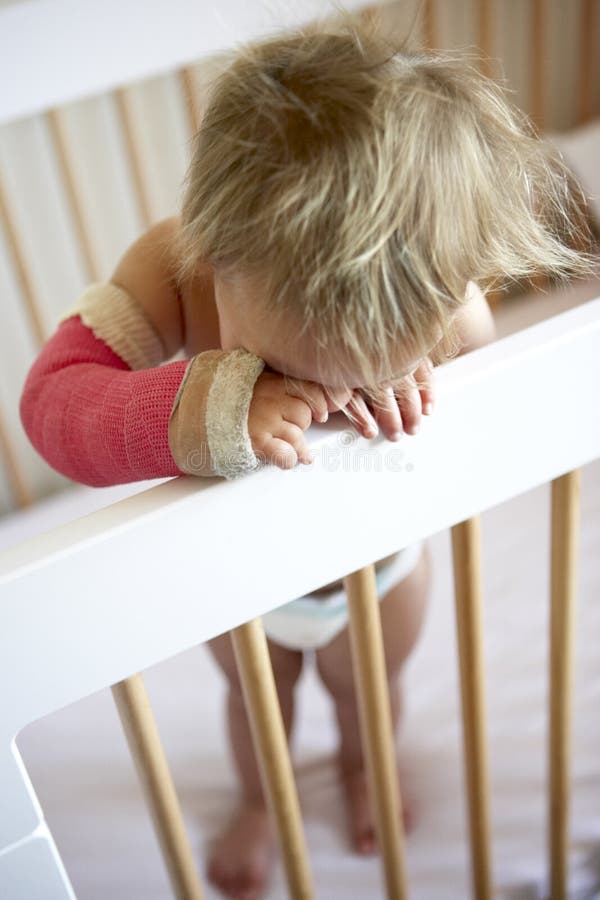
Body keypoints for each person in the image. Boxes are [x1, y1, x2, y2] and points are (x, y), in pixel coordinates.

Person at [19, 19, 595, 900]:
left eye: (373, 372)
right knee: (257, 702)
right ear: (219, 257)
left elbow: (488, 387)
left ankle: (367, 768)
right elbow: (52, 402)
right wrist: (203, 401)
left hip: (382, 565)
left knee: (372, 694)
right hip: (241, 582)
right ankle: (261, 801)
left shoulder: (440, 296)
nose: (324, 399)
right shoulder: (177, 267)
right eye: (287, 370)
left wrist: (435, 371)